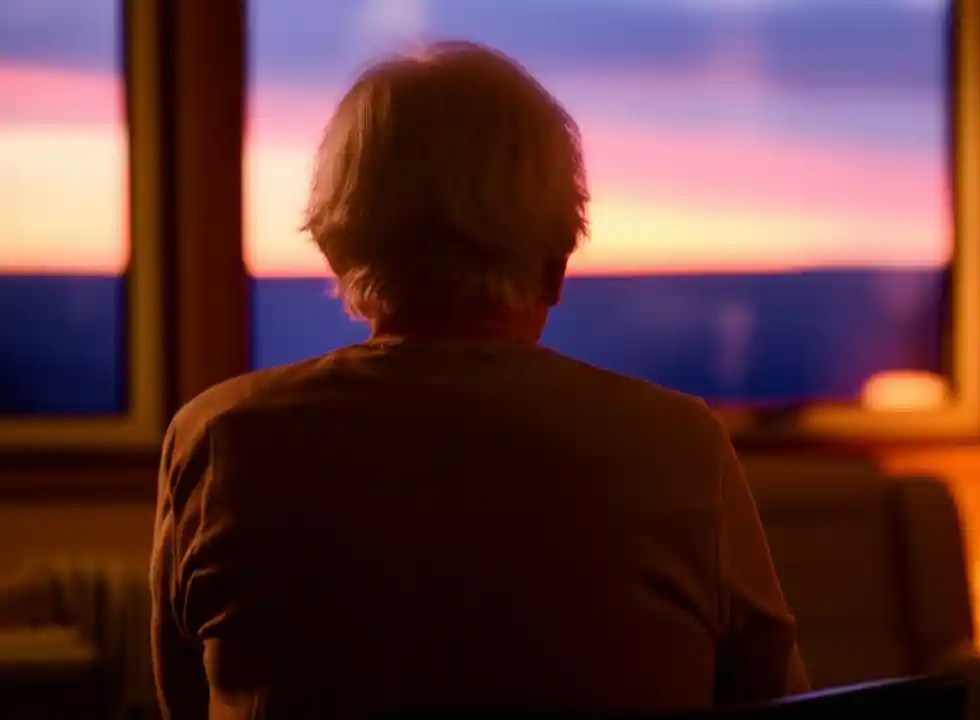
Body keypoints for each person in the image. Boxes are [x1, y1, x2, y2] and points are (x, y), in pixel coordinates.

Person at [150, 41, 808, 719]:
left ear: (336, 249)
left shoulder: (220, 441)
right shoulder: (680, 448)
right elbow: (776, 698)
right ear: (557, 262)